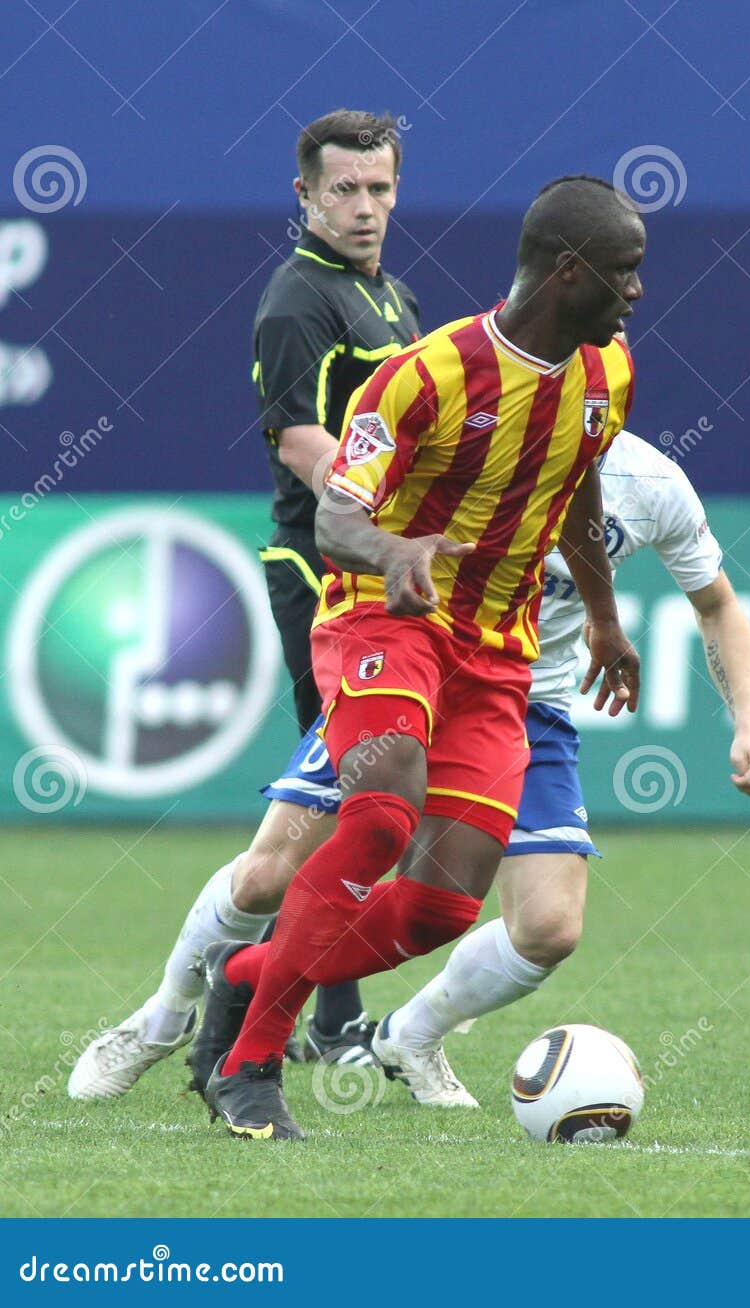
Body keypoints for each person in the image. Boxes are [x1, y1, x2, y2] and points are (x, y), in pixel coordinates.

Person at [67, 432, 750, 1106]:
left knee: (549, 927)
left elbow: (716, 604)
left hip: (530, 704)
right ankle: (161, 1018)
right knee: (265, 878)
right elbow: (348, 506)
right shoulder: (469, 434)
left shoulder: (653, 483)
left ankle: (411, 1035)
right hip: (414, 673)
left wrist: (749, 723)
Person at [195, 174, 645, 1140]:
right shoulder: (428, 373)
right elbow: (336, 511)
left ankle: (241, 981)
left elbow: (573, 490)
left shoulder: (608, 373)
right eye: (624, 272)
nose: (636, 292)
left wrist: (604, 619)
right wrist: (398, 552)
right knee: (379, 813)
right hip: (383, 616)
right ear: (569, 272)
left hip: (498, 651)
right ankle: (251, 1064)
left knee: (442, 908)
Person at [255, 108, 422, 1062]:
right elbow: (300, 438)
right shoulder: (297, 301)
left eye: (381, 188)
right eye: (345, 189)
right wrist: (386, 526)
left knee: (363, 794)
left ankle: (314, 1008)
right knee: (348, 791)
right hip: (320, 570)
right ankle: (317, 1015)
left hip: (375, 569)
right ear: (306, 194)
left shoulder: (390, 296)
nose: (365, 207)